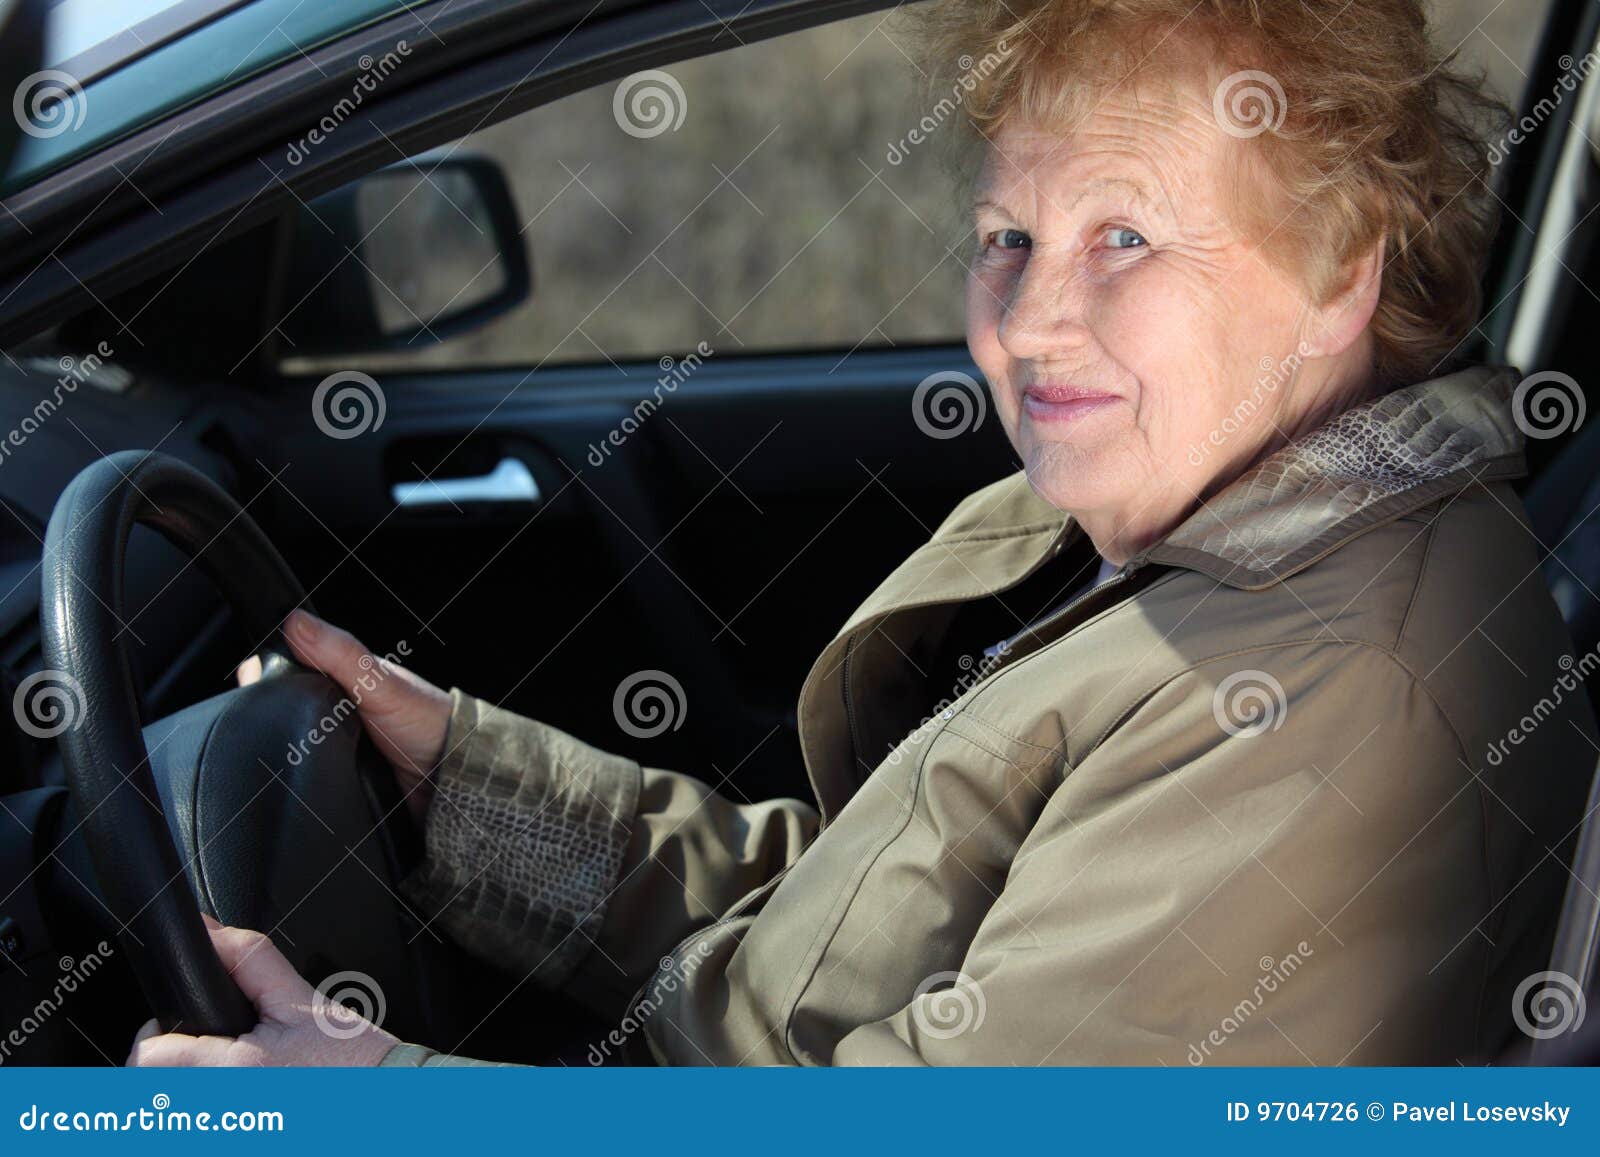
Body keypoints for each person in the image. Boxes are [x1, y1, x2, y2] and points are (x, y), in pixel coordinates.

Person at [130, 0, 1597, 1066]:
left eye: (1126, 239)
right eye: (1006, 238)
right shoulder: (1178, 522)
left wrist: (373, 1098)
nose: (1027, 322)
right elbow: (846, 923)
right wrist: (466, 788)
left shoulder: (1322, 703)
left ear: (1342, 273)